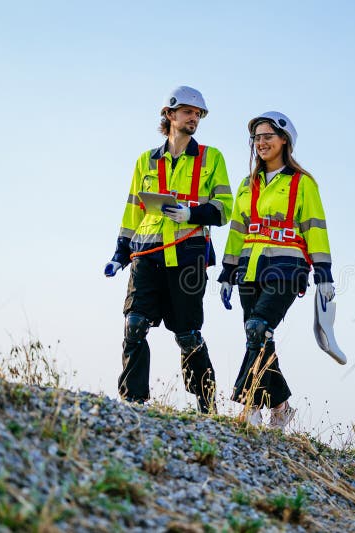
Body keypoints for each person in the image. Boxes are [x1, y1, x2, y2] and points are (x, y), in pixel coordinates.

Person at [104, 86, 233, 412]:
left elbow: (224, 208)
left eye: (198, 114)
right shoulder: (145, 161)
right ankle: (133, 403)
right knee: (134, 325)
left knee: (188, 335)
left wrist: (192, 213)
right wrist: (120, 252)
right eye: (189, 111)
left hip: (189, 255)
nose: (194, 118)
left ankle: (207, 407)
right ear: (169, 114)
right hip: (146, 254)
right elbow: (133, 209)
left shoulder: (211, 158)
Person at [218, 111, 335, 428]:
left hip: (287, 267)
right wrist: (227, 273)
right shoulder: (248, 184)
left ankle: (249, 406)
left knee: (258, 327)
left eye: (268, 136)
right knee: (259, 338)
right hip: (249, 268)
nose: (261, 142)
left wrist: (324, 274)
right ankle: (280, 406)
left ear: (285, 140)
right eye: (257, 137)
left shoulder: (302, 183)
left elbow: (316, 228)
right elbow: (237, 230)